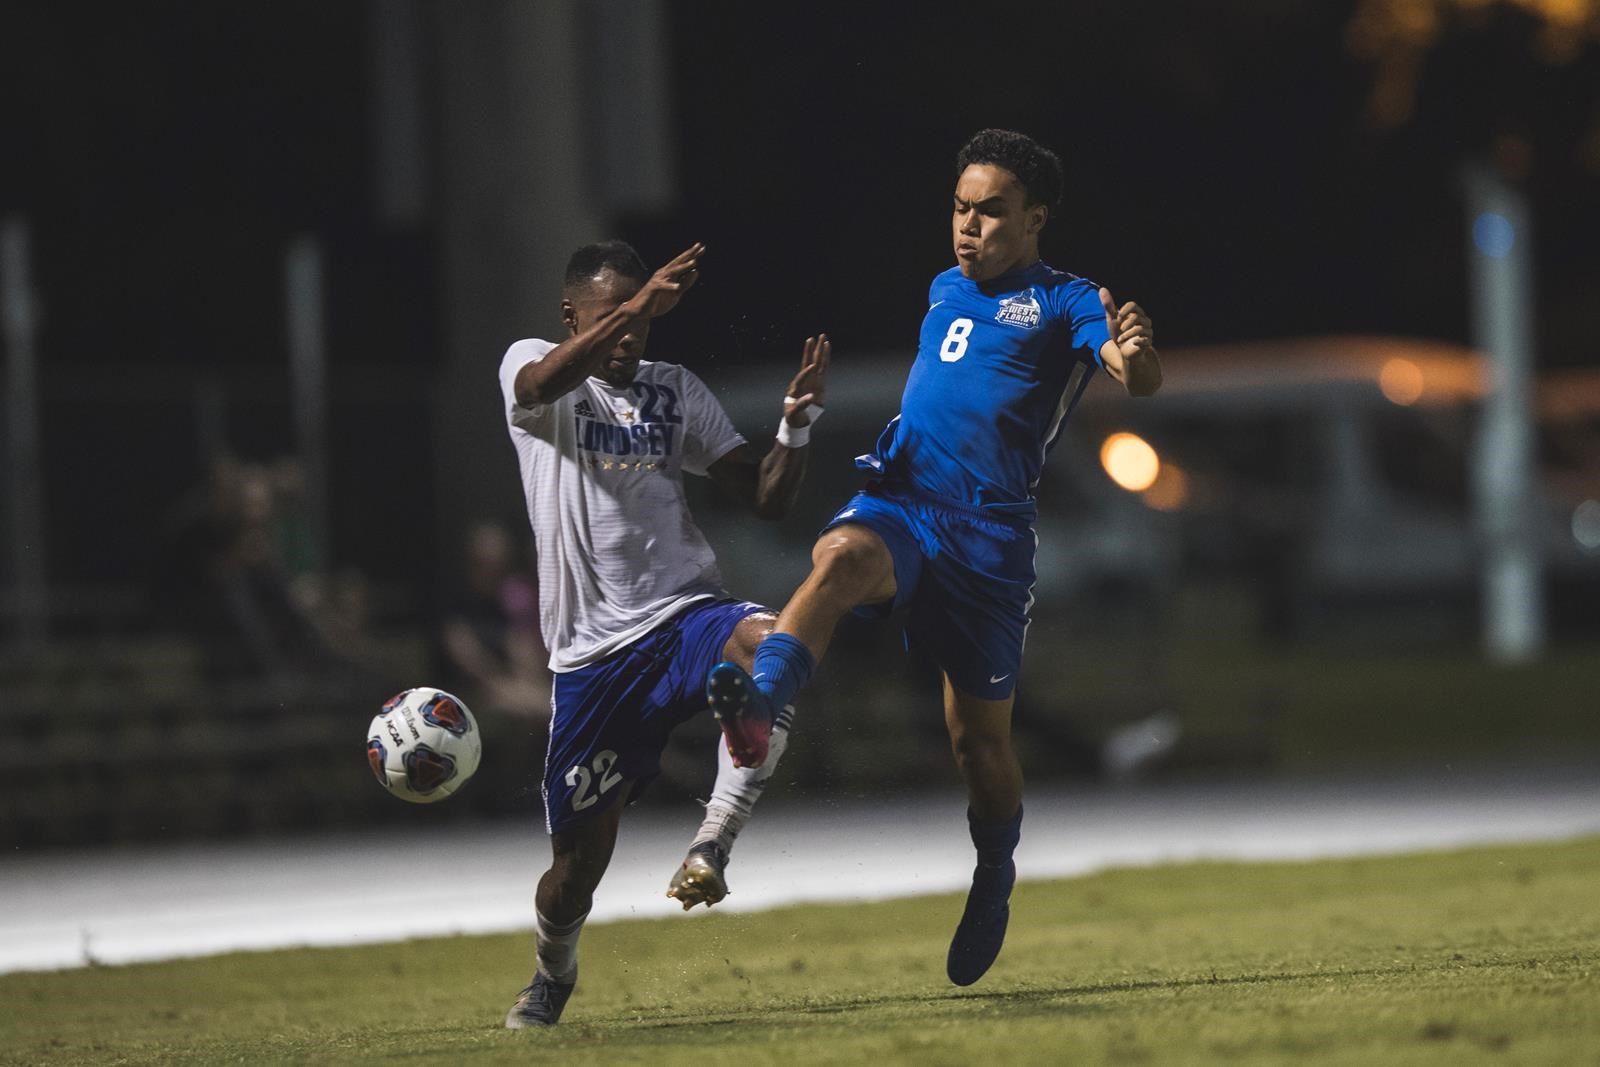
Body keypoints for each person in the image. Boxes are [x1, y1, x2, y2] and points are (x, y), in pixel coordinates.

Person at [705, 129, 1163, 987]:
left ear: (1034, 219)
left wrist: (1136, 356)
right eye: (960, 208)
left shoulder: (1065, 300)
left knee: (978, 745)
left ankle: (995, 871)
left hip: (988, 540)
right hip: (904, 502)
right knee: (839, 556)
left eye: (991, 211)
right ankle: (760, 708)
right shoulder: (944, 287)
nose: (969, 226)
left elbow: (1129, 371)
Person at [497, 239, 831, 1027]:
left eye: (639, 321)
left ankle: (713, 839)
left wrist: (797, 428)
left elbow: (764, 498)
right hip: (592, 660)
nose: (628, 336)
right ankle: (553, 972)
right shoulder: (535, 367)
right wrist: (639, 300)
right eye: (610, 317)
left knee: (771, 640)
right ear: (570, 314)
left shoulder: (672, 389)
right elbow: (539, 382)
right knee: (574, 874)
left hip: (685, 613)